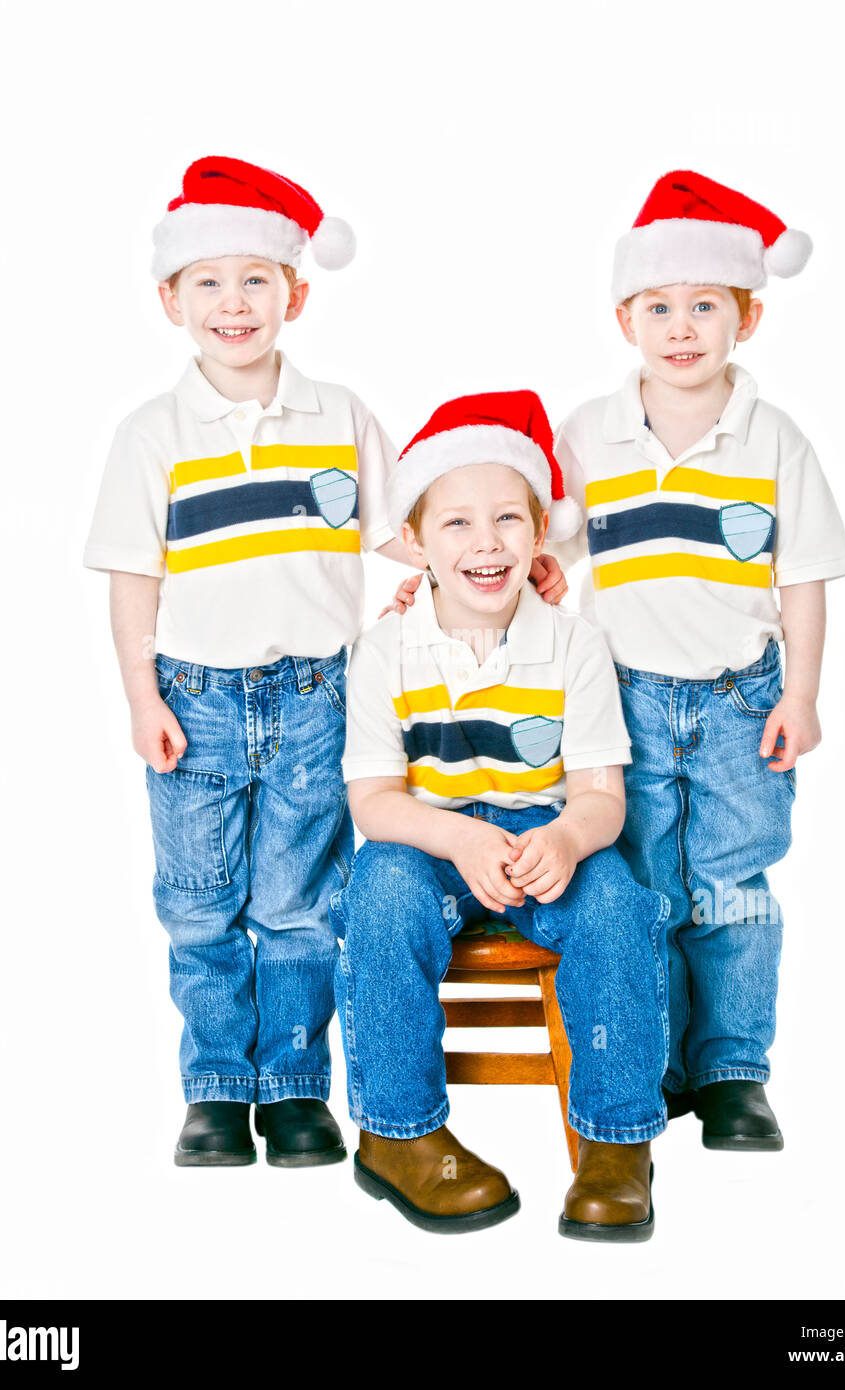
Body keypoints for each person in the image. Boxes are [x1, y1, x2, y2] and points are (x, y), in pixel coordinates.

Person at [83, 155, 409, 1168]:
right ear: (170, 298)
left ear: (296, 294)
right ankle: (219, 1086)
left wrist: (473, 570)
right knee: (198, 900)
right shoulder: (152, 435)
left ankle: (297, 1088)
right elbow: (133, 577)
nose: (235, 305)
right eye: (210, 284)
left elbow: (397, 536)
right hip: (197, 697)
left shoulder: (340, 417)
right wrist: (142, 695)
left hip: (317, 693)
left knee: (300, 902)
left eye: (257, 282)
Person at [552, 171, 845, 1148]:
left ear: (746, 317)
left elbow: (801, 575)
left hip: (737, 698)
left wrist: (800, 695)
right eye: (658, 308)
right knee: (637, 888)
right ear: (623, 316)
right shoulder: (590, 436)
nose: (680, 328)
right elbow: (541, 550)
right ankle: (654, 1058)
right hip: (621, 703)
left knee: (731, 887)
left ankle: (731, 1068)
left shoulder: (771, 439)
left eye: (703, 307)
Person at [330, 391, 670, 1240]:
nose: (485, 542)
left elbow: (600, 796)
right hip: (429, 838)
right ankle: (399, 1135)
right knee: (380, 898)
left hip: (547, 834)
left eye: (507, 520)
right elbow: (375, 804)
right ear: (414, 542)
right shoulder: (384, 651)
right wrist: (458, 834)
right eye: (455, 524)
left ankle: (616, 1143)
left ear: (538, 533)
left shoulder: (573, 641)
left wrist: (564, 835)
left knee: (620, 907)